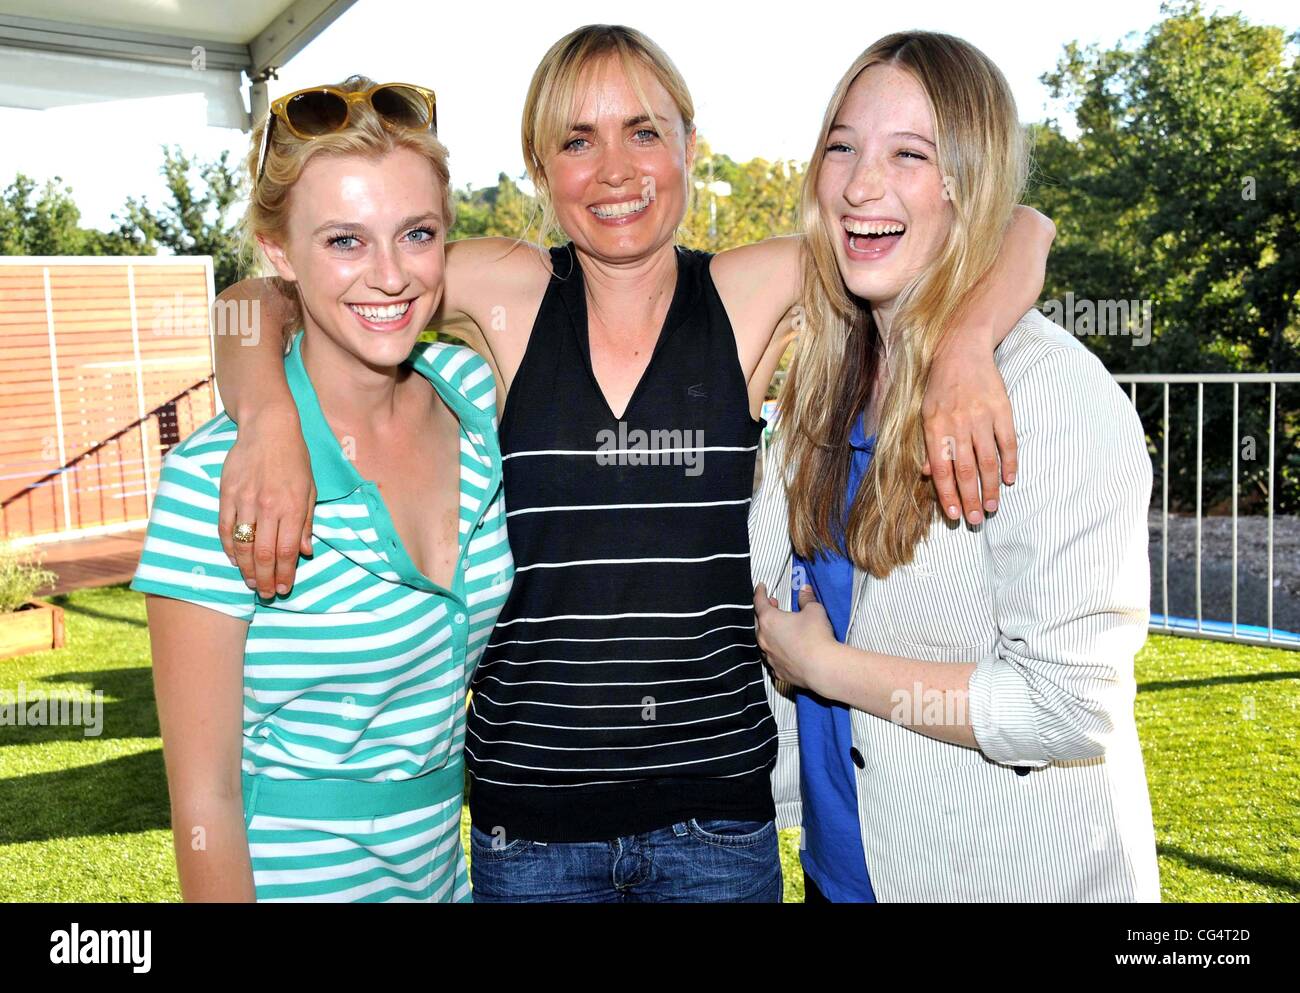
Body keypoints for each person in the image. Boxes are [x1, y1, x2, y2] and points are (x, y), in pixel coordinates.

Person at [208, 25, 1053, 902]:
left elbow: (1017, 225)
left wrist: (963, 345)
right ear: (541, 171)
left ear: (693, 146)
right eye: (577, 140)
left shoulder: (748, 290)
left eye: (644, 131)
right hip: (530, 832)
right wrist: (268, 414)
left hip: (717, 825)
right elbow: (263, 296)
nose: (614, 169)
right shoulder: (507, 292)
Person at [750, 31, 1160, 901]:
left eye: (910, 153)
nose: (863, 184)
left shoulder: (1042, 392)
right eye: (843, 146)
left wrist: (825, 667)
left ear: (965, 185)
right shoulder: (823, 387)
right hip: (840, 875)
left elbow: (1070, 707)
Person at [132, 78, 512, 901]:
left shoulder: (476, 397)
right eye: (344, 241)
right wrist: (269, 416)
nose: (389, 276)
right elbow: (205, 800)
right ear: (278, 253)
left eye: (417, 233)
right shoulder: (214, 480)